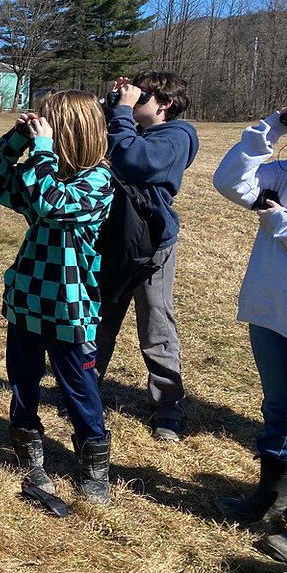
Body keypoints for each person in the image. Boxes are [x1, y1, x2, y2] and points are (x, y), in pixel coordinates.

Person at [0, 91, 114, 506]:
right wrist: (16, 140)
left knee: (79, 386)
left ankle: (94, 461)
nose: (44, 133)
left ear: (69, 133)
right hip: (28, 298)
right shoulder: (43, 173)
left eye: (49, 128)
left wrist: (39, 152)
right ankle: (28, 449)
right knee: (23, 379)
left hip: (70, 307)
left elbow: (52, 205)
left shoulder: (98, 181)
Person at [95, 71, 199, 442]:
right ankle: (86, 386)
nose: (132, 102)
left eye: (141, 97)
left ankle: (168, 404)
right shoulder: (129, 127)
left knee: (155, 322)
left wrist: (123, 114)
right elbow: (96, 141)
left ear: (165, 104)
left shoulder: (176, 137)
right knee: (101, 315)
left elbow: (133, 161)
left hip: (152, 242)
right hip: (114, 238)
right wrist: (114, 105)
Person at [211, 106, 287, 564]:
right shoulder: (284, 173)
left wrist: (282, 222)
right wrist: (273, 126)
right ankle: (271, 498)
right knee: (280, 408)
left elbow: (283, 224)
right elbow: (231, 183)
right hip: (273, 308)